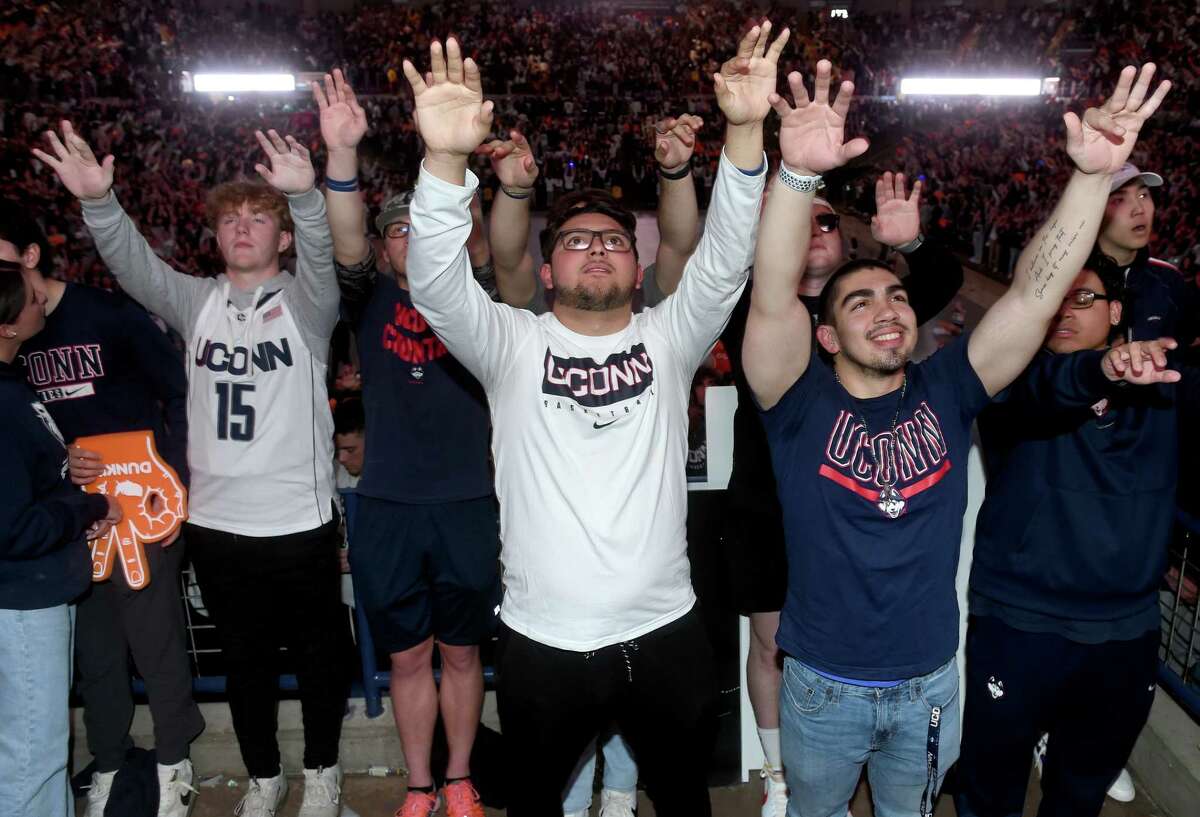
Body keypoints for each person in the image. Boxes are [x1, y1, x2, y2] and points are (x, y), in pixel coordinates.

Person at [742, 62, 1169, 817]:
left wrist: (1091, 181)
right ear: (828, 335)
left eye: (898, 295)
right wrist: (797, 177)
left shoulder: (948, 387)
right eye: (860, 299)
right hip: (822, 683)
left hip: (930, 682)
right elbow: (774, 291)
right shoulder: (796, 401)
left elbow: (1036, 295)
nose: (887, 308)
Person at [400, 23, 783, 815]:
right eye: (575, 241)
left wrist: (745, 132)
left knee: (683, 801)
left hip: (669, 631)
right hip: (542, 640)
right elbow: (436, 286)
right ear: (547, 271)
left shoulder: (671, 335)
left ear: (638, 267)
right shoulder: (510, 342)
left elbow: (727, 255)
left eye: (612, 240)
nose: (597, 250)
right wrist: (444, 164)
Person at [644, 123, 963, 817]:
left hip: (848, 521)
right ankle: (780, 773)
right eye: (802, 217)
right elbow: (679, 261)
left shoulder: (877, 311)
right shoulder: (751, 305)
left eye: (828, 219)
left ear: (849, 241)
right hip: (766, 505)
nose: (816, 227)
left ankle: (837, 771)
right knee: (771, 644)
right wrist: (692, 181)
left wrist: (907, 241)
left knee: (833, 665)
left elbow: (941, 278)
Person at [37, 121, 350, 817]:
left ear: (283, 237)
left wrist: (304, 198)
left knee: (320, 656)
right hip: (215, 523)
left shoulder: (307, 304)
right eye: (231, 219)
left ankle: (324, 771)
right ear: (215, 235)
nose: (242, 229)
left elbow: (326, 260)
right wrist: (99, 202)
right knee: (245, 664)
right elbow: (134, 267)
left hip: (299, 519)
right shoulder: (195, 301)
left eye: (258, 218)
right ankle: (264, 775)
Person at [313, 68, 533, 817]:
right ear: (383, 250)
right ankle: (417, 783)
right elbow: (345, 234)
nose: (410, 239)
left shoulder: (482, 301)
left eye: (425, 225)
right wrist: (341, 157)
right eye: (397, 229)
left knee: (465, 651)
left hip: (470, 502)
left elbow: (507, 248)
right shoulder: (367, 297)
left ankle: (463, 777)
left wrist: (510, 190)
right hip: (389, 506)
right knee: (407, 656)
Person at [956, 249, 1192, 817]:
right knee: (989, 791)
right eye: (1055, 298)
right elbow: (1053, 387)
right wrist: (1103, 369)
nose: (1065, 310)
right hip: (1020, 623)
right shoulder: (1010, 381)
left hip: (1124, 634)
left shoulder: (1167, 388)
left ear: (1116, 312)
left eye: (1083, 298)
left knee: (1080, 795)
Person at [0, 200, 204, 817]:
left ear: (29, 257)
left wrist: (173, 490)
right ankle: (111, 764)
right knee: (95, 656)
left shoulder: (108, 314)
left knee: (156, 640)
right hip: (66, 521)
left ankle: (175, 765)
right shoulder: (12, 339)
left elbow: (179, 388)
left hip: (136, 504)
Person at [0, 261, 121, 817]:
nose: (42, 303)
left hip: (34, 592)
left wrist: (68, 496)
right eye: (30, 297)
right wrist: (90, 506)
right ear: (6, 324)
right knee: (33, 753)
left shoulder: (13, 385)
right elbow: (13, 527)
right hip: (23, 598)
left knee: (36, 749)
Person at [1098, 163, 1199, 348]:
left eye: (1143, 195)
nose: (1139, 209)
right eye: (1118, 200)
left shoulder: (1170, 280)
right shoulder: (1068, 286)